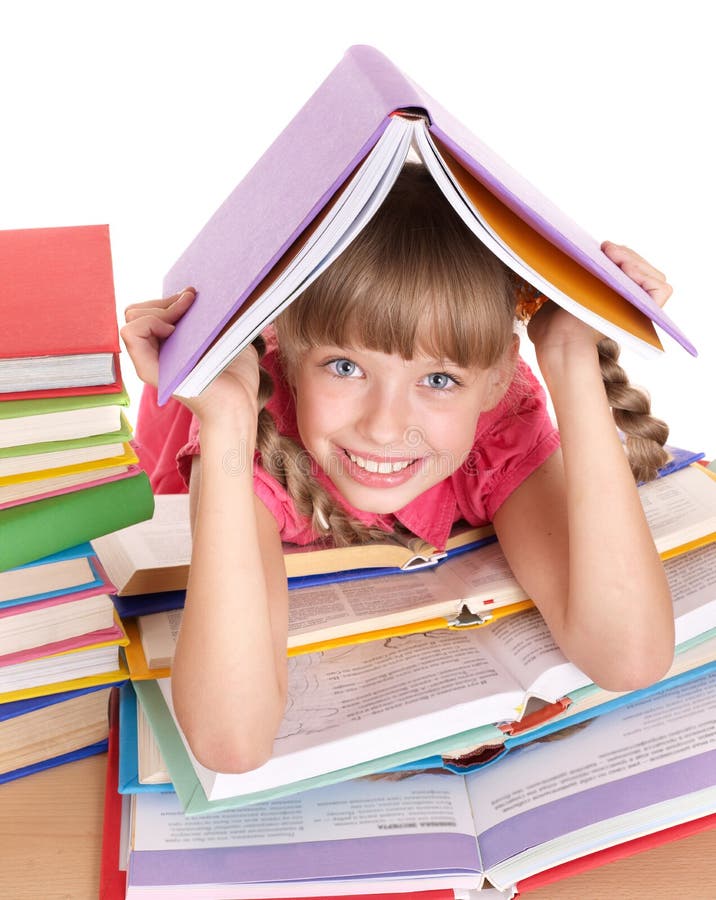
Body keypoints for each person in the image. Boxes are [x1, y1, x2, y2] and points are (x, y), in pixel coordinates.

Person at [122, 163, 675, 774]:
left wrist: (569, 353)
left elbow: (628, 657)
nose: (385, 427)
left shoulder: (498, 424)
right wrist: (225, 421)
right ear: (292, 350)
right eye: (344, 367)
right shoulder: (255, 426)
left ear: (496, 379)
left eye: (439, 379)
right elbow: (231, 742)